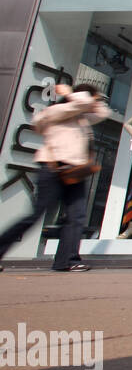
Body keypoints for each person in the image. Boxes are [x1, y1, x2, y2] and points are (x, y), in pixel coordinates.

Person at [0, 82, 109, 272]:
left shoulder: (81, 117)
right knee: (35, 215)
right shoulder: (54, 112)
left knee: (76, 216)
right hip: (53, 170)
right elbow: (79, 104)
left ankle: (66, 261)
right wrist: (71, 93)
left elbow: (102, 113)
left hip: (74, 172)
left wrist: (94, 98)